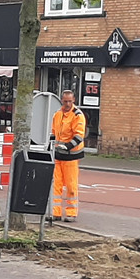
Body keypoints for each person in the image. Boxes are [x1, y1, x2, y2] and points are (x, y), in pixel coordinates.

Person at [50, 89, 86, 222]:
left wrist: (68, 146)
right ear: (61, 100)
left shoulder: (78, 115)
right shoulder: (57, 114)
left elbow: (79, 135)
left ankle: (71, 213)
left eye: (70, 101)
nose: (67, 104)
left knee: (71, 185)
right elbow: (53, 132)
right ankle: (56, 212)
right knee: (56, 185)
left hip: (71, 156)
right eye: (65, 101)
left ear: (74, 100)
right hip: (58, 155)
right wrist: (51, 145)